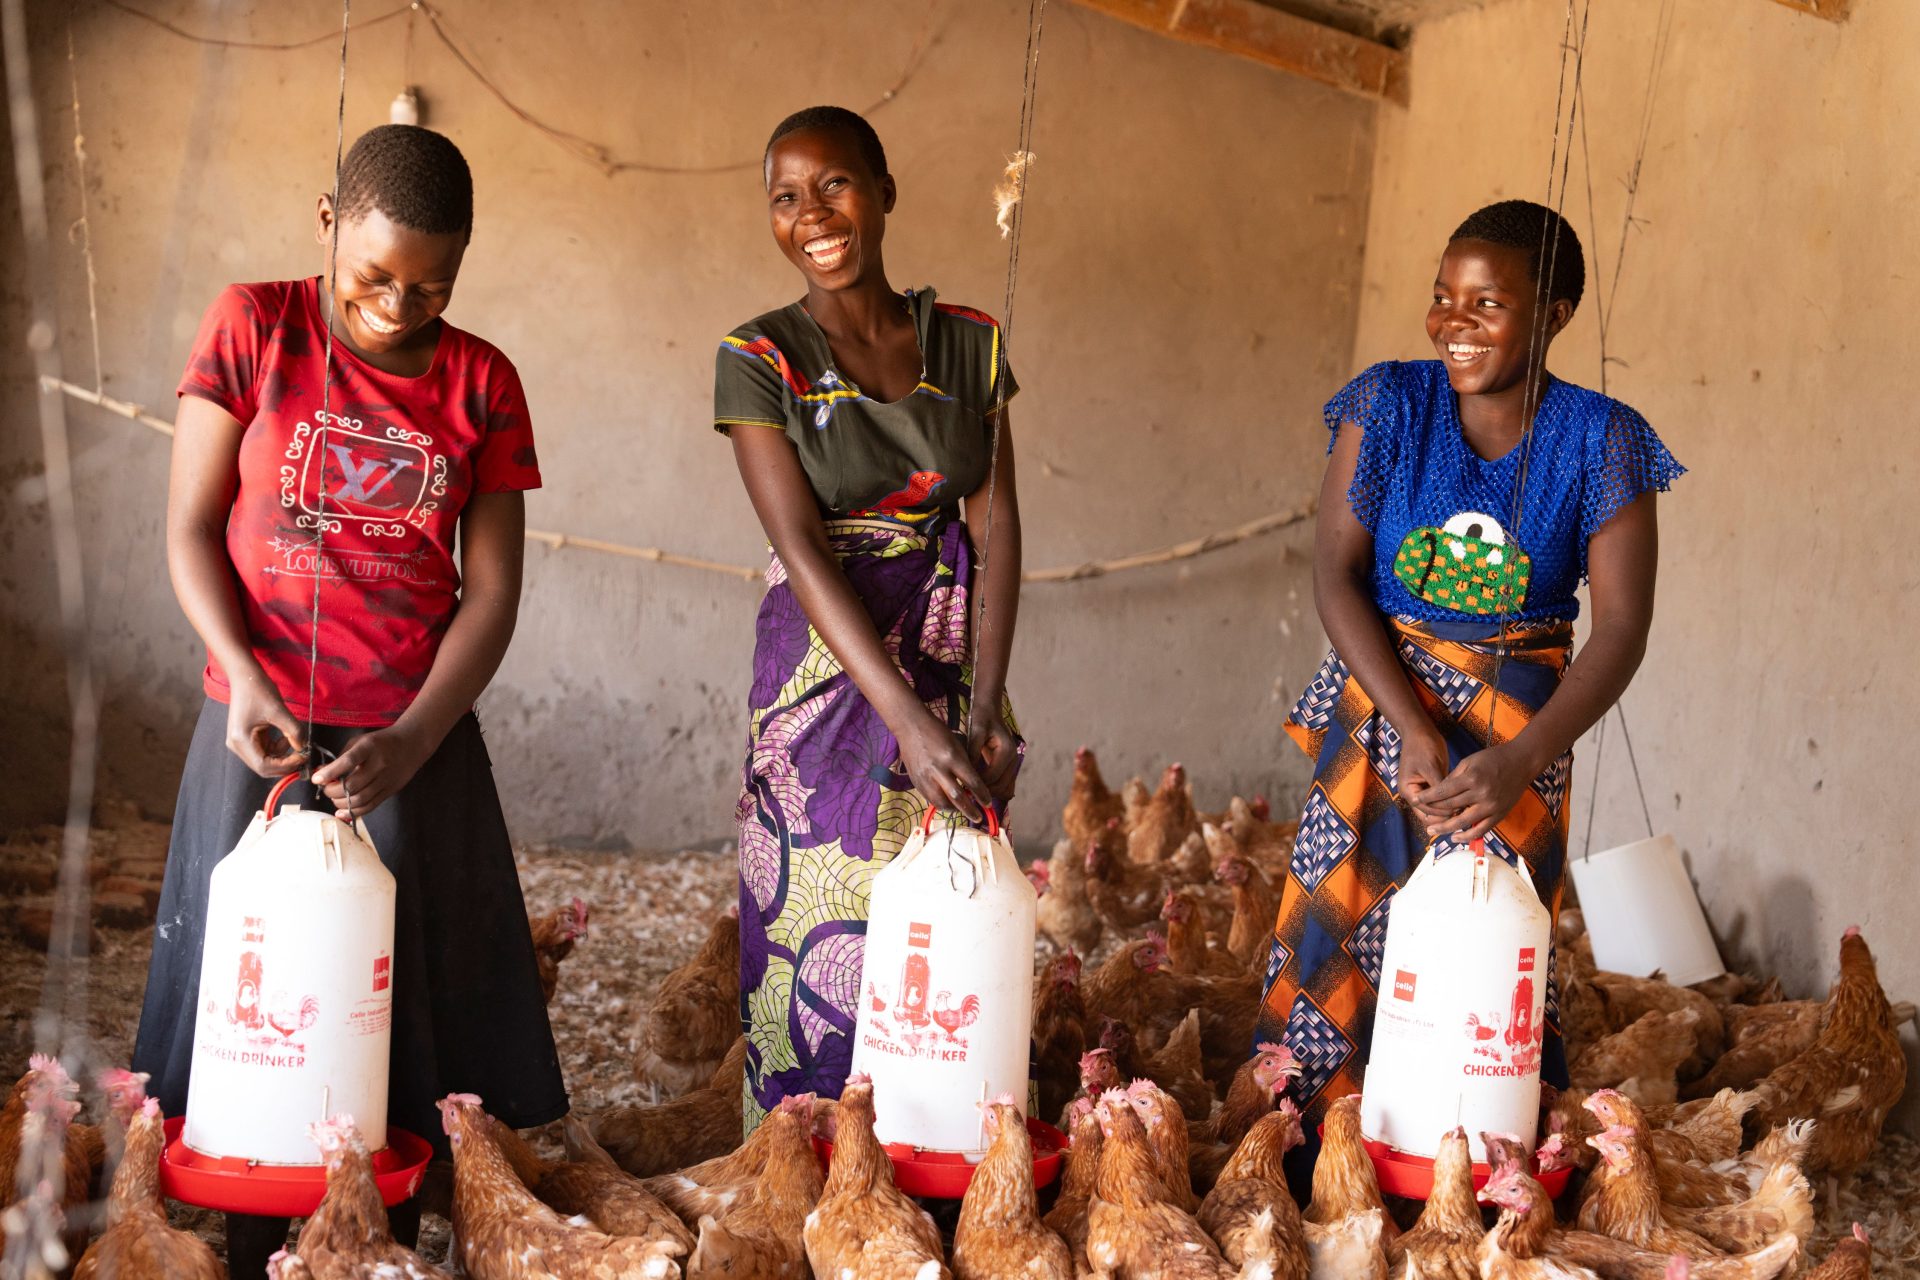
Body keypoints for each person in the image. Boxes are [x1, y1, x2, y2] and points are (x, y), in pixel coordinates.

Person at [131, 124, 566, 1275]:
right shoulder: (255, 325)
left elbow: (494, 592)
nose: (398, 305)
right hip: (257, 729)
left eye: (433, 285)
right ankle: (252, 1238)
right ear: (327, 224)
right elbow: (187, 529)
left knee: (400, 1017)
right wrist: (245, 670)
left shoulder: (483, 382)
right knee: (253, 1010)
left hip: (407, 744)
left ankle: (382, 1245)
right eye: (375, 275)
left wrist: (415, 736)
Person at [1257, 199, 1683, 1167]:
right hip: (1380, 712)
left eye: (1486, 303)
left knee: (1483, 959)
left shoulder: (1602, 440)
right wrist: (1411, 722)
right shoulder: (1388, 405)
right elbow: (1334, 573)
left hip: (1517, 734)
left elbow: (1620, 625)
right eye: (1443, 298)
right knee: (1334, 937)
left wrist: (1521, 759)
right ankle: (1313, 1156)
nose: (1453, 323)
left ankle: (1461, 1172)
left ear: (1555, 312)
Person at [715, 106, 1024, 1132]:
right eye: (786, 197)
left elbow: (995, 515)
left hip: (947, 647)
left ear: (885, 189)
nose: (814, 213)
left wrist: (985, 693)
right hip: (825, 665)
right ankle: (800, 1165)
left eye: (836, 184)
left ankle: (923, 1174)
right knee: (819, 917)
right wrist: (907, 718)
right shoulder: (762, 355)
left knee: (939, 909)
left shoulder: (972, 343)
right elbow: (801, 545)